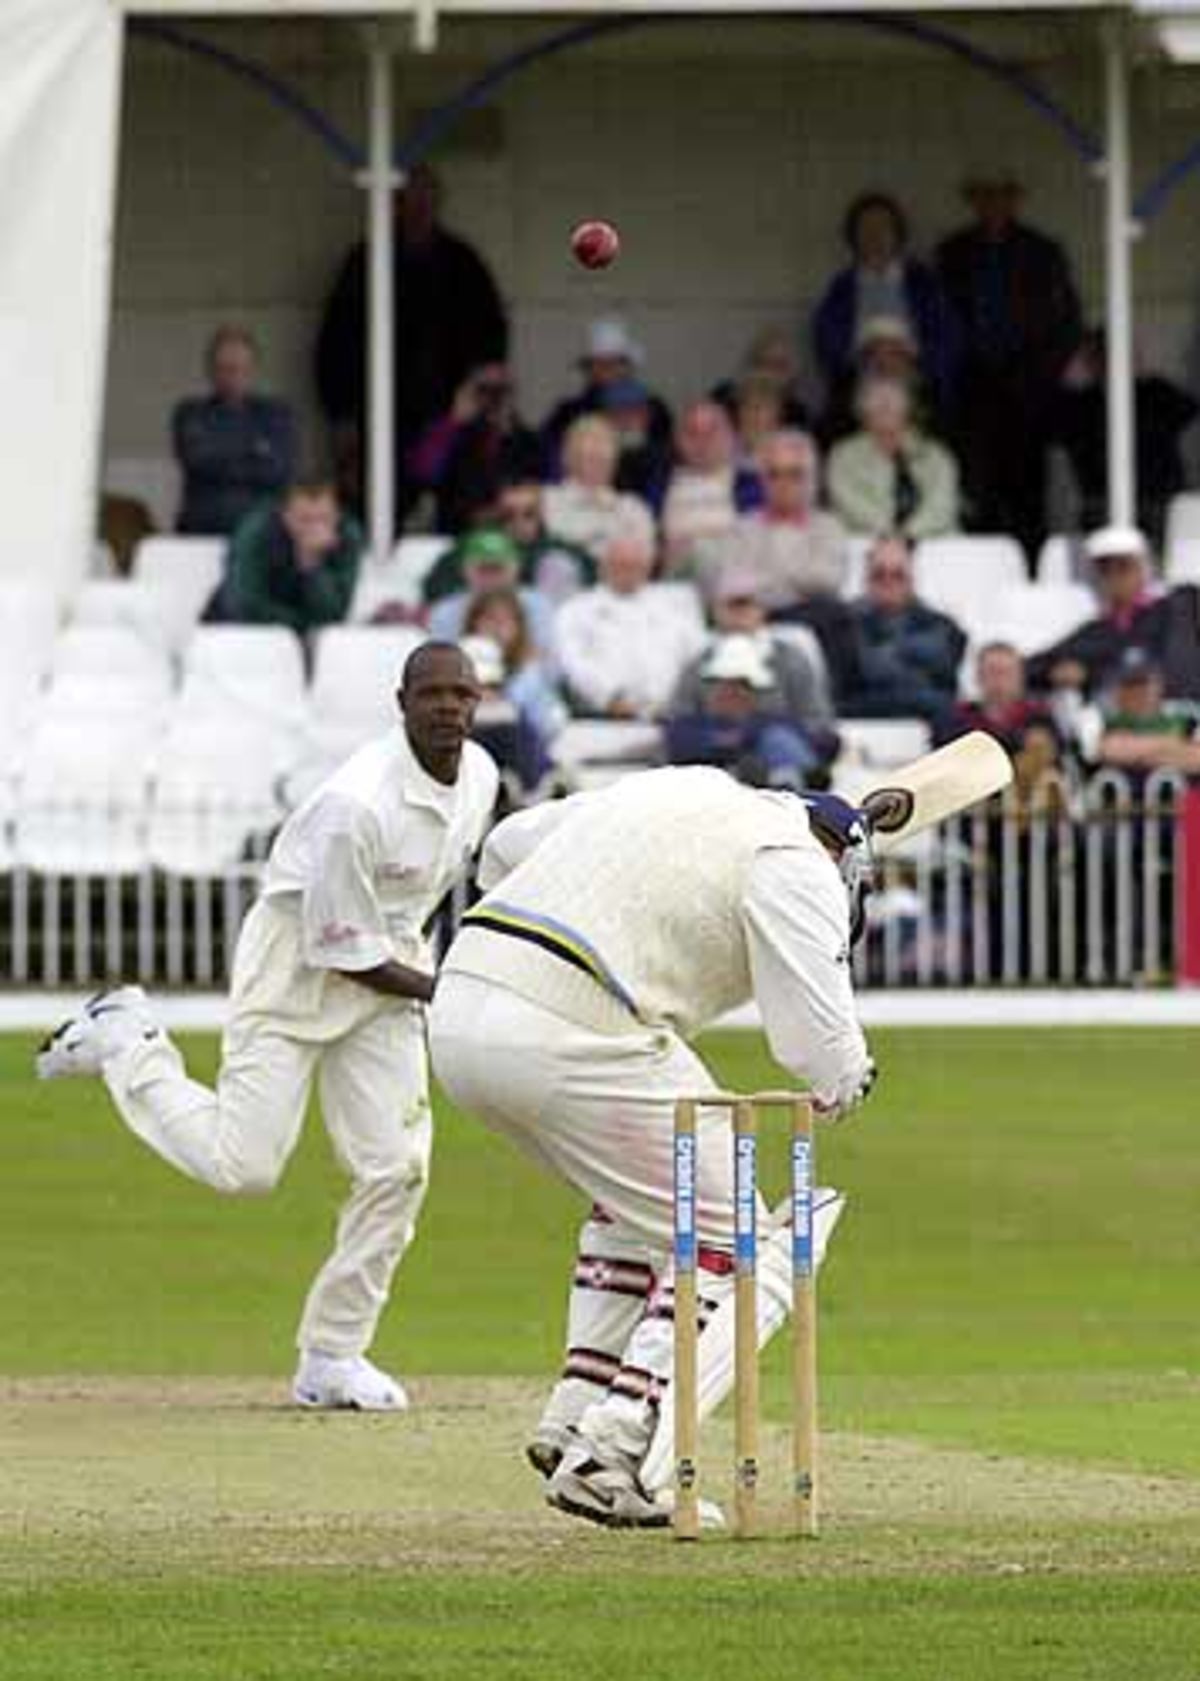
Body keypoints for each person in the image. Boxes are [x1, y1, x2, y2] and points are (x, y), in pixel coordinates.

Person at [36, 644, 499, 1411]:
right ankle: (129, 1042)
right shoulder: (358, 804)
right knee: (244, 1166)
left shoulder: (478, 776)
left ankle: (332, 1356)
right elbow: (341, 950)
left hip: (390, 969)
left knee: (397, 1170)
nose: (449, 707)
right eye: (433, 694)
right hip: (299, 967)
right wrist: (444, 991)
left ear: (478, 701)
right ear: (402, 700)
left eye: (462, 694)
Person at [427, 774, 878, 1528]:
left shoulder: (682, 789)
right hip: (570, 1027)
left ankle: (576, 1412)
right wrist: (846, 1073)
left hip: (459, 1011)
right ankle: (613, 1454)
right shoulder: (797, 857)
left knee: (640, 1207)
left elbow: (504, 845)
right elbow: (812, 1041)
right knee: (736, 1244)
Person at [315, 163, 508, 515]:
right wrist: (342, 419)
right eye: (409, 201)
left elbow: (492, 343)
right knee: (383, 509)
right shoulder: (365, 264)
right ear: (394, 205)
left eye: (426, 201)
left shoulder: (463, 264)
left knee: (459, 508)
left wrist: (485, 401)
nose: (419, 209)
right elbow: (335, 347)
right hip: (381, 419)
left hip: (454, 418)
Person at [935, 171, 1082, 561]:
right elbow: (942, 323)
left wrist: (1043, 376)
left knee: (1028, 492)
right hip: (973, 393)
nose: (994, 205)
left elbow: (1067, 322)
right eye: (985, 196)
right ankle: (984, 567)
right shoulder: (953, 253)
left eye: (1002, 196)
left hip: (1028, 393)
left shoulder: (1043, 252)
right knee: (978, 489)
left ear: (1016, 201)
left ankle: (1031, 568)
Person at [813, 191, 959, 427]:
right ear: (853, 237)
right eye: (865, 228)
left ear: (897, 233)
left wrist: (910, 358)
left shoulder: (923, 282)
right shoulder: (842, 287)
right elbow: (826, 340)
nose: (875, 234)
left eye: (884, 226)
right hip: (860, 389)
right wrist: (866, 354)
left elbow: (949, 337)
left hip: (917, 387)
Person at [1050, 329, 1199, 550]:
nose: (1111, 361)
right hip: (1103, 510)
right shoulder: (1078, 407)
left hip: (1160, 505)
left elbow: (1189, 409)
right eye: (1100, 355)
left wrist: (1137, 372)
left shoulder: (1156, 393)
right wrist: (1073, 372)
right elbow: (1048, 425)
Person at [555, 532, 706, 719]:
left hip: (671, 714)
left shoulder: (674, 605)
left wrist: (681, 700)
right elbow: (572, 662)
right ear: (603, 567)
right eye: (620, 565)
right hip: (604, 715)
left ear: (648, 568)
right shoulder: (575, 610)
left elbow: (697, 656)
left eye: (636, 566)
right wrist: (610, 698)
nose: (628, 572)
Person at [665, 631, 838, 790]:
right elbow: (684, 748)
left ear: (755, 692)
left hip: (781, 800)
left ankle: (790, 778)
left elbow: (829, 743)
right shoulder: (688, 727)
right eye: (723, 684)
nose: (732, 692)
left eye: (742, 686)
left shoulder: (773, 723)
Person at [172, 325, 297, 537]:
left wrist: (221, 451)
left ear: (253, 369)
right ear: (210, 370)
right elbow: (197, 462)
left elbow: (279, 470)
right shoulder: (190, 412)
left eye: (242, 369)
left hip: (262, 536)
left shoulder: (276, 414)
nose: (234, 377)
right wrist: (254, 452)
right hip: (202, 532)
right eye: (226, 368)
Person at [206, 479, 363, 641]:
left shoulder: (346, 537)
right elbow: (246, 602)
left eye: (324, 519)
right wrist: (301, 624)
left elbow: (335, 613)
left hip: (307, 637)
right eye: (305, 520)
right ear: (286, 516)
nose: (315, 528)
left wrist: (311, 565)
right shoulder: (257, 534)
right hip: (237, 629)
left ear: (337, 515)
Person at [1025, 525, 1163, 700]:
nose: (1114, 578)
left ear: (1144, 569)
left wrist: (1092, 673)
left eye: (1123, 567)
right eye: (1104, 570)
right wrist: (1053, 672)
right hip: (1112, 721)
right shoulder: (1094, 631)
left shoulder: (1176, 613)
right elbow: (1029, 668)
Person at [405, 362, 541, 534]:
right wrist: (453, 422)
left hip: (511, 538)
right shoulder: (449, 436)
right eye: (484, 389)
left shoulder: (530, 442)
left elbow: (544, 490)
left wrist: (508, 429)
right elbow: (422, 473)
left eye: (501, 389)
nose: (493, 397)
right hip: (458, 537)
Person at [842, 535, 966, 721]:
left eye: (898, 575)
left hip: (932, 718)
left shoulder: (942, 623)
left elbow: (946, 677)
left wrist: (889, 653)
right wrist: (914, 658)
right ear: (866, 579)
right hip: (863, 714)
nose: (888, 582)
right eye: (879, 574)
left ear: (912, 579)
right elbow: (862, 673)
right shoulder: (843, 623)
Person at [827, 376, 961, 539]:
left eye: (893, 402)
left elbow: (942, 505)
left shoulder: (936, 455)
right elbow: (850, 505)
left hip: (934, 540)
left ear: (907, 410)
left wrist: (908, 534)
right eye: (876, 403)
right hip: (867, 541)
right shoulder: (843, 455)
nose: (885, 407)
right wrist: (892, 534)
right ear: (863, 413)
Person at [540, 318, 673, 473]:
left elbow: (665, 457)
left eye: (613, 363)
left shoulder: (654, 408)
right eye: (599, 363)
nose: (606, 370)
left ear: (628, 366)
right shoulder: (568, 411)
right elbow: (549, 456)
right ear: (589, 368)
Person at [660, 401, 763, 574]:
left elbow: (760, 543)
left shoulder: (753, 484)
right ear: (678, 440)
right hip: (676, 584)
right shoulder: (659, 485)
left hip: (736, 581)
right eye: (692, 432)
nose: (702, 441)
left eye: (712, 431)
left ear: (732, 436)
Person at [426, 528, 557, 661]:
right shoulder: (445, 611)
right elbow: (441, 662)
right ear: (466, 569)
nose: (491, 577)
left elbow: (544, 658)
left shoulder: (539, 605)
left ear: (516, 568)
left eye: (497, 568)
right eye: (483, 569)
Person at [542, 415, 656, 562]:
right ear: (567, 457)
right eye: (588, 456)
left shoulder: (633, 508)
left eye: (603, 452)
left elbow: (645, 558)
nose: (598, 452)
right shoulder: (545, 500)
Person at [711, 327, 810, 430]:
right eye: (766, 363)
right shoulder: (724, 398)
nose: (772, 373)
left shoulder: (797, 413)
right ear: (753, 365)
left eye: (780, 366)